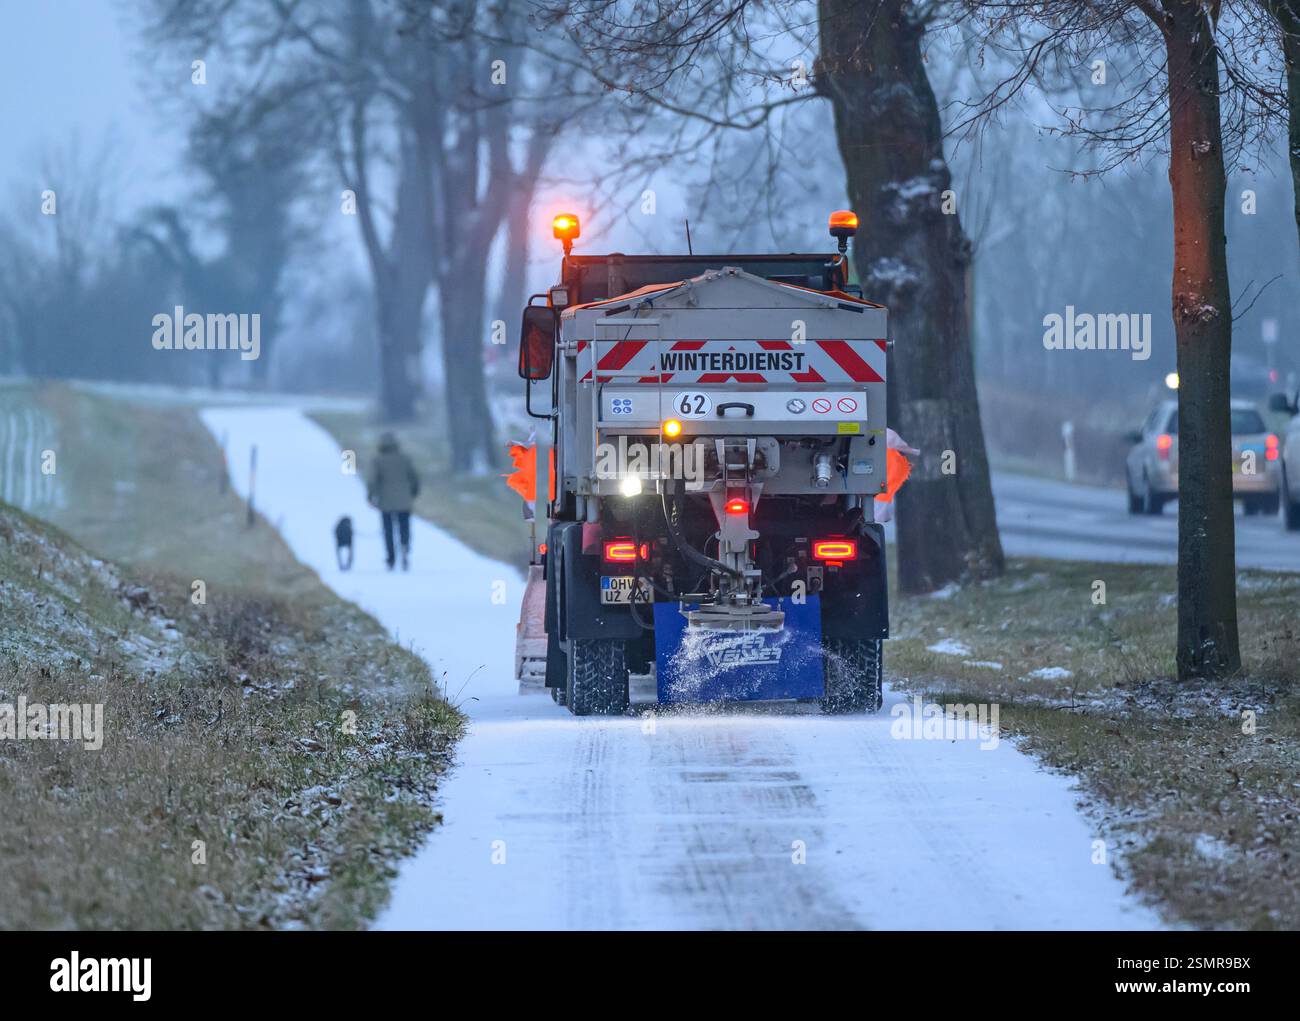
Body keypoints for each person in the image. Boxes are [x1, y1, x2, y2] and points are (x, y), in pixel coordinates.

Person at [366, 432, 420, 570]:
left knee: (388, 530)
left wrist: (371, 497)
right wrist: (413, 493)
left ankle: (391, 558)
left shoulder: (377, 460)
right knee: (404, 527)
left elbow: (373, 481)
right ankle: (404, 547)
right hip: (404, 500)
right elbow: (414, 478)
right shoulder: (405, 458)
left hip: (386, 501)